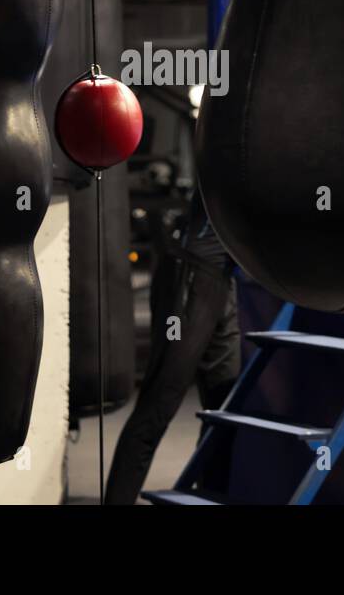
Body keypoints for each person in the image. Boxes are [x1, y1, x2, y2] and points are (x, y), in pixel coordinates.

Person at [104, 191, 240, 504]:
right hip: (190, 276)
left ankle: (210, 499)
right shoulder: (235, 148)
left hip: (223, 282)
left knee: (225, 412)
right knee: (158, 406)